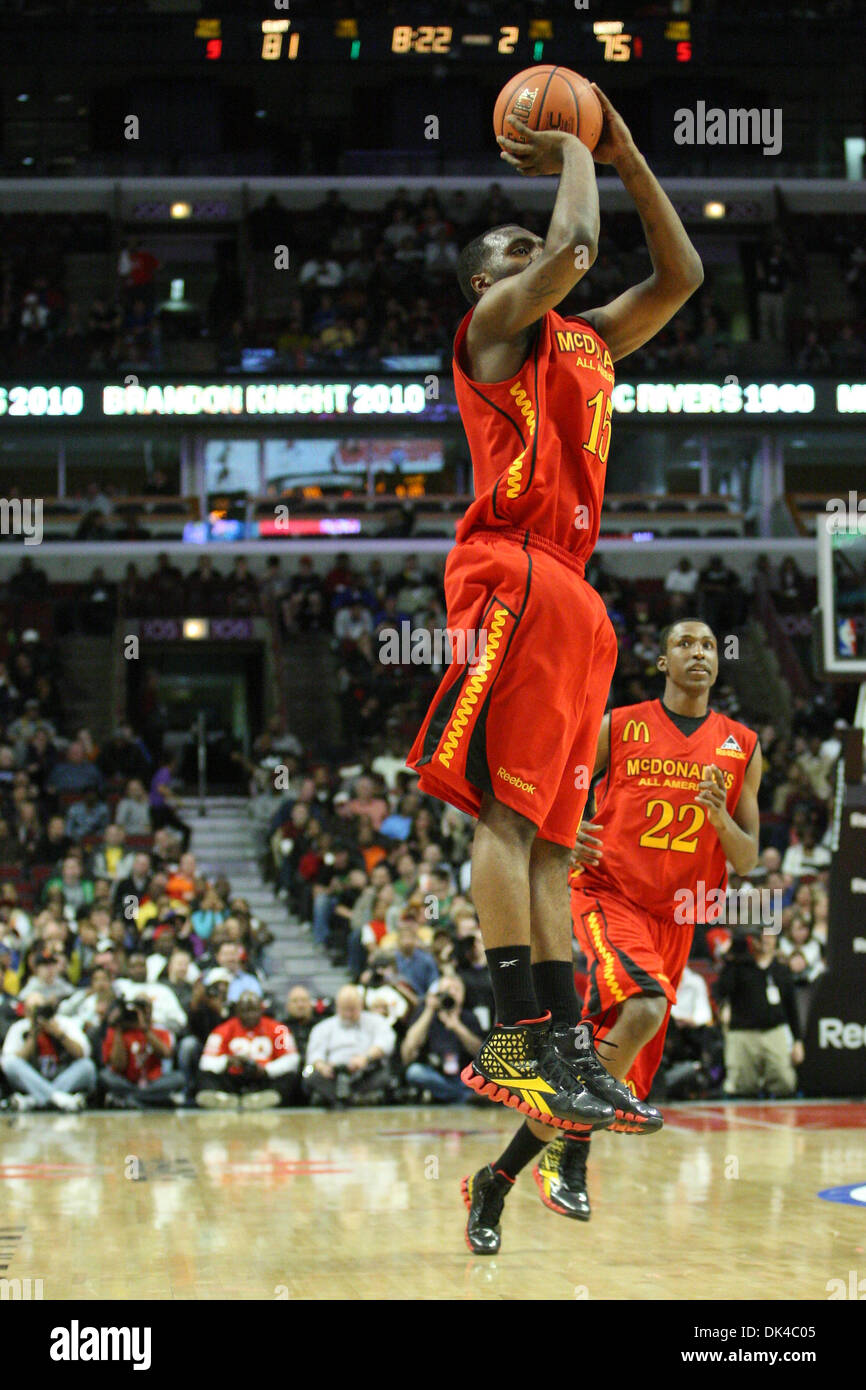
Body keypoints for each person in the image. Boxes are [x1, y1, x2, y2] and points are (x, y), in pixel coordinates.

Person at [407, 86, 702, 1153]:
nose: (543, 247)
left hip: (573, 594)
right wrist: (580, 145)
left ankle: (562, 1040)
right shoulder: (491, 328)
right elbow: (573, 247)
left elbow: (681, 275)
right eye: (516, 245)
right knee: (502, 818)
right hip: (509, 570)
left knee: (543, 839)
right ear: (492, 280)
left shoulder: (584, 347)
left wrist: (622, 149)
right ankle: (511, 1030)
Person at [464, 619, 761, 1253]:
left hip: (677, 919)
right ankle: (570, 1158)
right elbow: (553, 795)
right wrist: (564, 842)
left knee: (601, 1063)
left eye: (709, 644)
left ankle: (496, 1180)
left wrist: (718, 816)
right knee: (646, 1010)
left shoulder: (742, 745)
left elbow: (750, 859)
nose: (699, 653)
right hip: (609, 895)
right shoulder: (618, 725)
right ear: (661, 661)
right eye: (685, 643)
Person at [714, 931, 803, 1096]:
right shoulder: (739, 967)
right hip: (743, 1032)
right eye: (761, 937)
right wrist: (732, 959)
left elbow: (791, 1007)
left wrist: (797, 1040)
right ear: (753, 941)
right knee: (742, 1086)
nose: (765, 941)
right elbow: (722, 990)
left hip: (774, 1031)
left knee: (785, 1082)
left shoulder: (781, 970)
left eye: (770, 937)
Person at [197, 991, 298, 1110]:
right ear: (237, 1012)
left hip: (264, 1079)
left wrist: (265, 1070)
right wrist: (228, 1061)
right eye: (245, 1011)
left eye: (254, 1010)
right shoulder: (221, 1030)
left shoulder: (278, 1030)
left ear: (261, 1010)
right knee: (204, 1075)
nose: (250, 1015)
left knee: (290, 1077)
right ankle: (224, 1099)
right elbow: (205, 1062)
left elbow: (292, 1060)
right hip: (233, 1078)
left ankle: (264, 1099)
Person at [303, 985, 395, 1108]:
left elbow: (386, 1043)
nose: (348, 1014)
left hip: (365, 1073)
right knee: (310, 1076)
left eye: (352, 1009)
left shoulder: (377, 1021)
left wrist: (365, 1058)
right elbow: (315, 1054)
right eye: (344, 1009)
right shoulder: (322, 1027)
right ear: (337, 1007)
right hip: (332, 1076)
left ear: (361, 1006)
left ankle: (345, 1099)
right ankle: (351, 1099)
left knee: (385, 1074)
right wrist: (323, 1067)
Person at [2, 994, 96, 1111]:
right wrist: (32, 1036)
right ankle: (59, 1099)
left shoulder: (64, 1023)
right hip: (33, 1078)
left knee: (87, 1065)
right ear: (25, 1011)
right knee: (10, 1063)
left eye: (41, 1009)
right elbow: (10, 1062)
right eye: (32, 1011)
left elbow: (82, 1053)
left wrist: (59, 1034)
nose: (37, 1015)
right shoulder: (19, 1027)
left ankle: (33, 1100)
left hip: (63, 1075)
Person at [401, 974, 483, 1104]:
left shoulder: (469, 1017)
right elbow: (407, 1052)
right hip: (436, 1074)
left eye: (456, 990)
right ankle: (464, 1097)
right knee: (415, 1072)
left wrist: (457, 1027)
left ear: (463, 995)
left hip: (464, 1076)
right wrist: (429, 1010)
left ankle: (449, 1094)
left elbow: (481, 1054)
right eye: (447, 990)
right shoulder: (426, 1015)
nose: (451, 993)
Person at [100, 996, 184, 1108]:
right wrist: (118, 1030)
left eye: (144, 1009)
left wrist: (145, 1029)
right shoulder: (115, 1032)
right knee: (104, 1076)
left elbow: (166, 1055)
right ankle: (152, 1100)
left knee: (179, 1078)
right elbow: (118, 1065)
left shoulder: (160, 1031)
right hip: (126, 1082)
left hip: (153, 1082)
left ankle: (131, 1100)